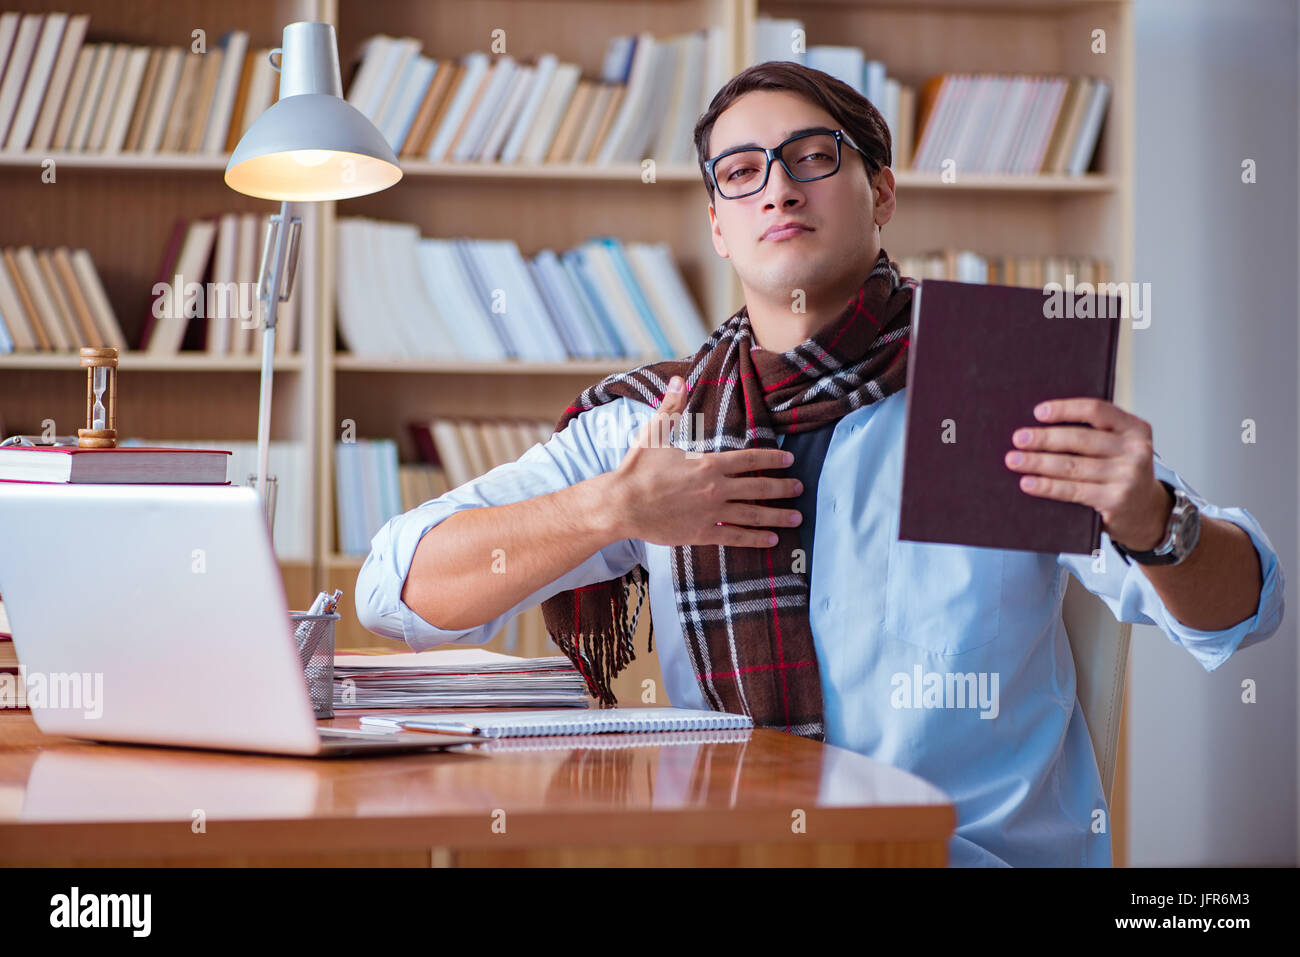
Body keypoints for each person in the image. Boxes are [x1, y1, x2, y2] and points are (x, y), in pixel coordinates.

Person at [356, 61, 1285, 866]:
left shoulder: (996, 382)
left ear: (881, 193)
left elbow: (1243, 615)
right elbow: (396, 589)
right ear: (718, 224)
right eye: (742, 171)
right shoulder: (657, 423)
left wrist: (1156, 521)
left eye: (812, 156)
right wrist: (610, 511)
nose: (779, 189)